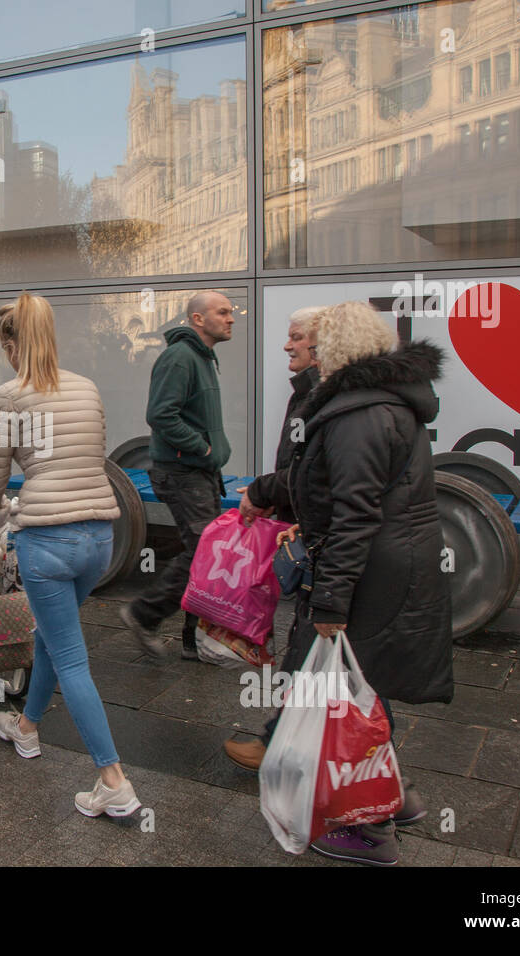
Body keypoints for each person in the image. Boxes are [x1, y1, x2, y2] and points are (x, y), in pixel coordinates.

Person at [242, 301, 453, 866]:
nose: (301, 351)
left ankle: (366, 825)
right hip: (390, 567)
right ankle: (392, 796)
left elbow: (354, 512)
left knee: (338, 689)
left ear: (335, 348)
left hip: (364, 574)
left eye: (314, 341)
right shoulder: (385, 403)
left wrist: (331, 598)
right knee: (359, 684)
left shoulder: (358, 413)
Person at [0, 293, 140, 818]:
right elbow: (93, 460)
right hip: (100, 543)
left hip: (48, 541)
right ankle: (26, 728)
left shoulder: (10, 395)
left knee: (71, 657)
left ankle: (113, 780)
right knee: (50, 634)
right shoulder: (87, 389)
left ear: (13, 344)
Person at [223, 306, 321, 767]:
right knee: (318, 648)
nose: (287, 345)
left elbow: (311, 474)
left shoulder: (324, 397)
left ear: (322, 344)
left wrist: (265, 492)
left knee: (315, 643)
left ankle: (278, 742)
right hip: (320, 536)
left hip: (334, 547)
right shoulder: (311, 391)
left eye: (297, 337)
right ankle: (280, 739)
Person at [119, 290, 235, 660]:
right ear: (198, 319)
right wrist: (200, 448)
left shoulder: (202, 357)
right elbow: (161, 415)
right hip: (184, 471)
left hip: (199, 471)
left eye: (231, 312)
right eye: (223, 312)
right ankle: (143, 614)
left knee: (204, 551)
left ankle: (193, 641)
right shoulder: (181, 357)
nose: (231, 318)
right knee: (204, 551)